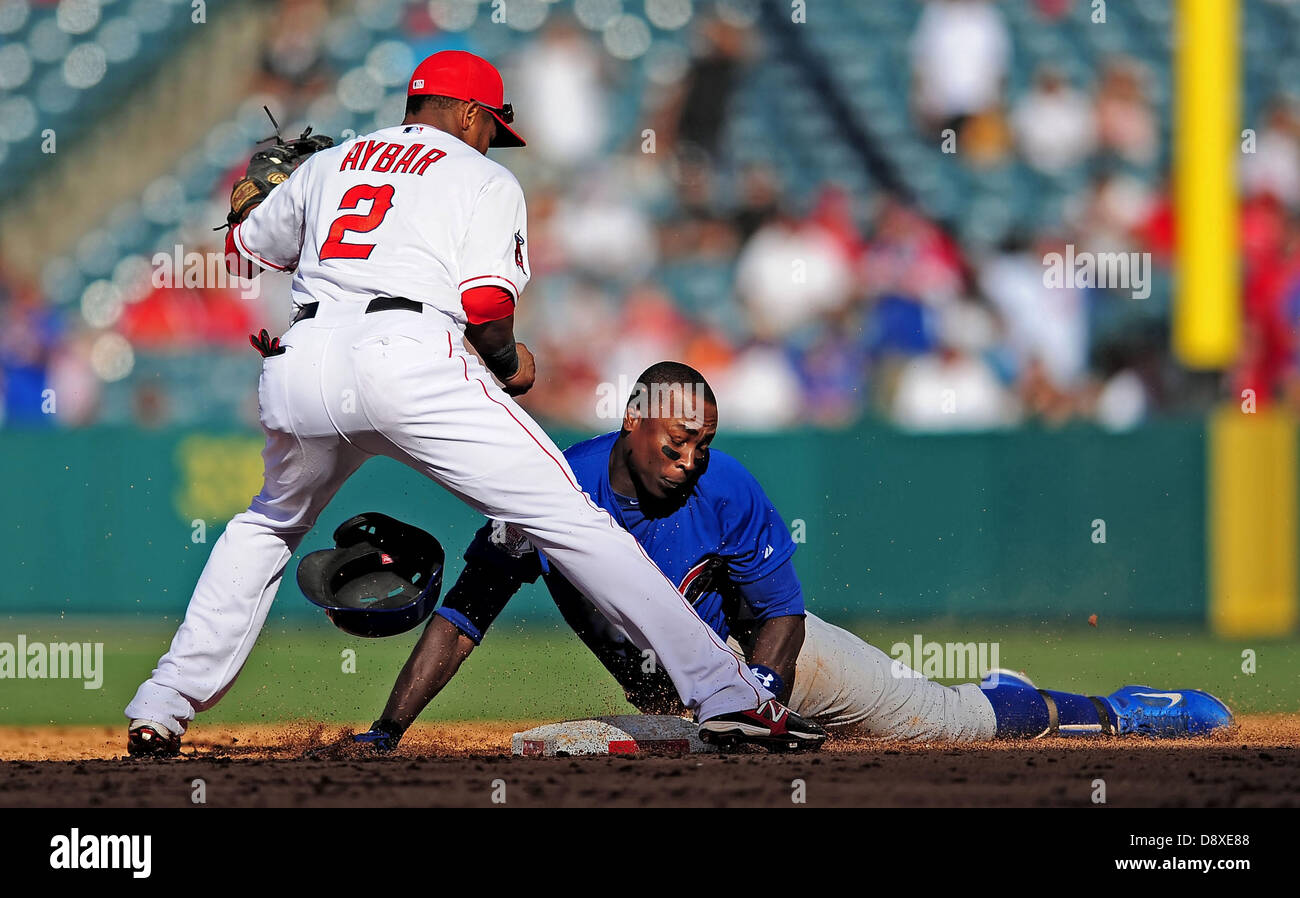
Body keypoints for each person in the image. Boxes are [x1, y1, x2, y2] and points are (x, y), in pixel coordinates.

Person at [123, 52, 824, 758]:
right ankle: (729, 696)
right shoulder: (482, 176)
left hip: (301, 358)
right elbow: (486, 303)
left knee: (269, 523)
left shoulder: (329, 164)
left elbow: (247, 246)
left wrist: (256, 201)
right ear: (467, 113)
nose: (493, 140)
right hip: (408, 354)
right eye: (492, 125)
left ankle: (162, 704)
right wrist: (510, 359)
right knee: (570, 519)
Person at [352, 361, 1234, 751]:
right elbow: (466, 613)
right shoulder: (550, 488)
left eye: (701, 442)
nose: (689, 457)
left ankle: (1111, 712)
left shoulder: (726, 487)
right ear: (633, 420)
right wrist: (388, 732)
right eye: (676, 440)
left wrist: (758, 701)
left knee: (942, 724)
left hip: (776, 663)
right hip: (685, 693)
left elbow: (778, 613)